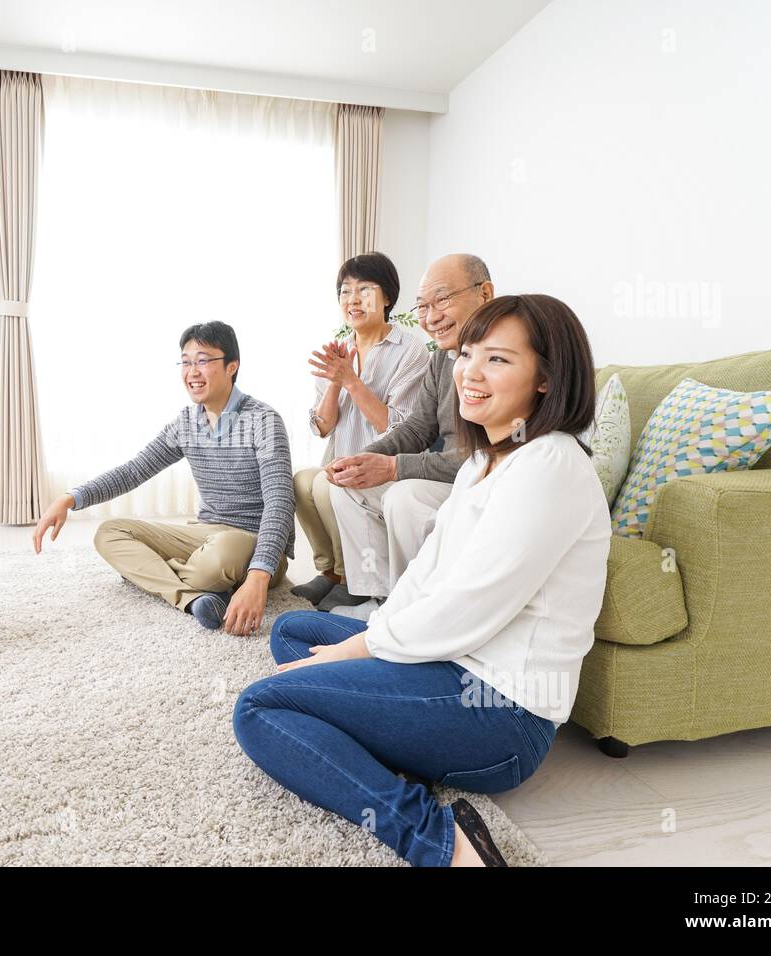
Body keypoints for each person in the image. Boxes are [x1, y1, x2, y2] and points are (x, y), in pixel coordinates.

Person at [233, 294, 611, 867]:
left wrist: (355, 652)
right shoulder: (486, 461)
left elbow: (465, 608)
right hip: (449, 666)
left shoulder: (551, 465)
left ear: (545, 379)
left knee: (261, 709)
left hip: (502, 717)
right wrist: (368, 640)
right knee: (293, 631)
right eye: (467, 354)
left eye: (499, 360)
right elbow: (426, 575)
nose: (470, 373)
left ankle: (441, 842)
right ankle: (383, 741)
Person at [32, 321, 295, 635]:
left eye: (202, 361)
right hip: (206, 535)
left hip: (253, 541)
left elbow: (280, 503)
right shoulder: (186, 423)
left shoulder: (263, 420)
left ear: (231, 366)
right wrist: (70, 498)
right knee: (109, 533)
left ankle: (154, 573)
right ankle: (194, 599)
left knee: (219, 557)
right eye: (185, 362)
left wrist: (258, 577)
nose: (192, 371)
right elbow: (134, 471)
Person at [323, 253, 494, 617]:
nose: (431, 316)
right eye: (422, 306)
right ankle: (380, 599)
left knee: (405, 495)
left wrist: (393, 467)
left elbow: (482, 459)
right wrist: (364, 459)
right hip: (447, 476)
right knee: (351, 485)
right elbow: (417, 428)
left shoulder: (502, 360)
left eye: (443, 300)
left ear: (485, 294)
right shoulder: (441, 360)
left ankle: (416, 609)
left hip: (480, 482)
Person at [289, 252, 428, 611]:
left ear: (387, 298)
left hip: (384, 467)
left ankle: (356, 580)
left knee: (328, 486)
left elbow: (397, 425)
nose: (352, 299)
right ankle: (331, 573)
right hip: (341, 460)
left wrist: (351, 380)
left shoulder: (410, 350)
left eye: (364, 289)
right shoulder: (340, 349)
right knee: (302, 482)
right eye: (345, 291)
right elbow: (322, 427)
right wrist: (335, 382)